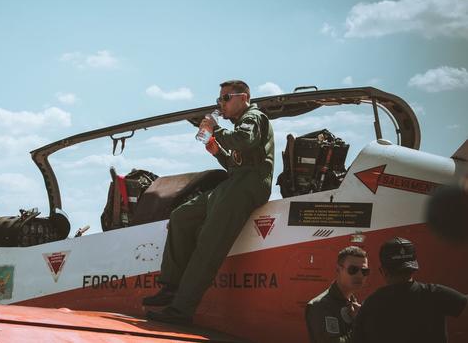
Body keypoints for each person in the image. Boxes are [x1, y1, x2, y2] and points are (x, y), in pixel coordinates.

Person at [144, 79, 274, 324]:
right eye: (219, 99)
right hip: (235, 183)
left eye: (226, 98)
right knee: (181, 216)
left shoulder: (253, 117)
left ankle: (181, 309)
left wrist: (217, 130)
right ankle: (171, 287)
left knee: (209, 244)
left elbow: (243, 140)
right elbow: (235, 164)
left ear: (244, 97)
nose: (221, 104)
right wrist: (217, 151)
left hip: (247, 186)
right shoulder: (240, 125)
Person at [352, 237, 467, 343]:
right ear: (413, 268)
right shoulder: (435, 294)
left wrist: (363, 316)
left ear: (383, 271)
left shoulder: (370, 305)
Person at [306, 246, 370, 343]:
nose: (360, 275)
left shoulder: (353, 303)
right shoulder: (320, 306)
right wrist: (358, 323)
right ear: (338, 269)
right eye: (353, 270)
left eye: (364, 271)